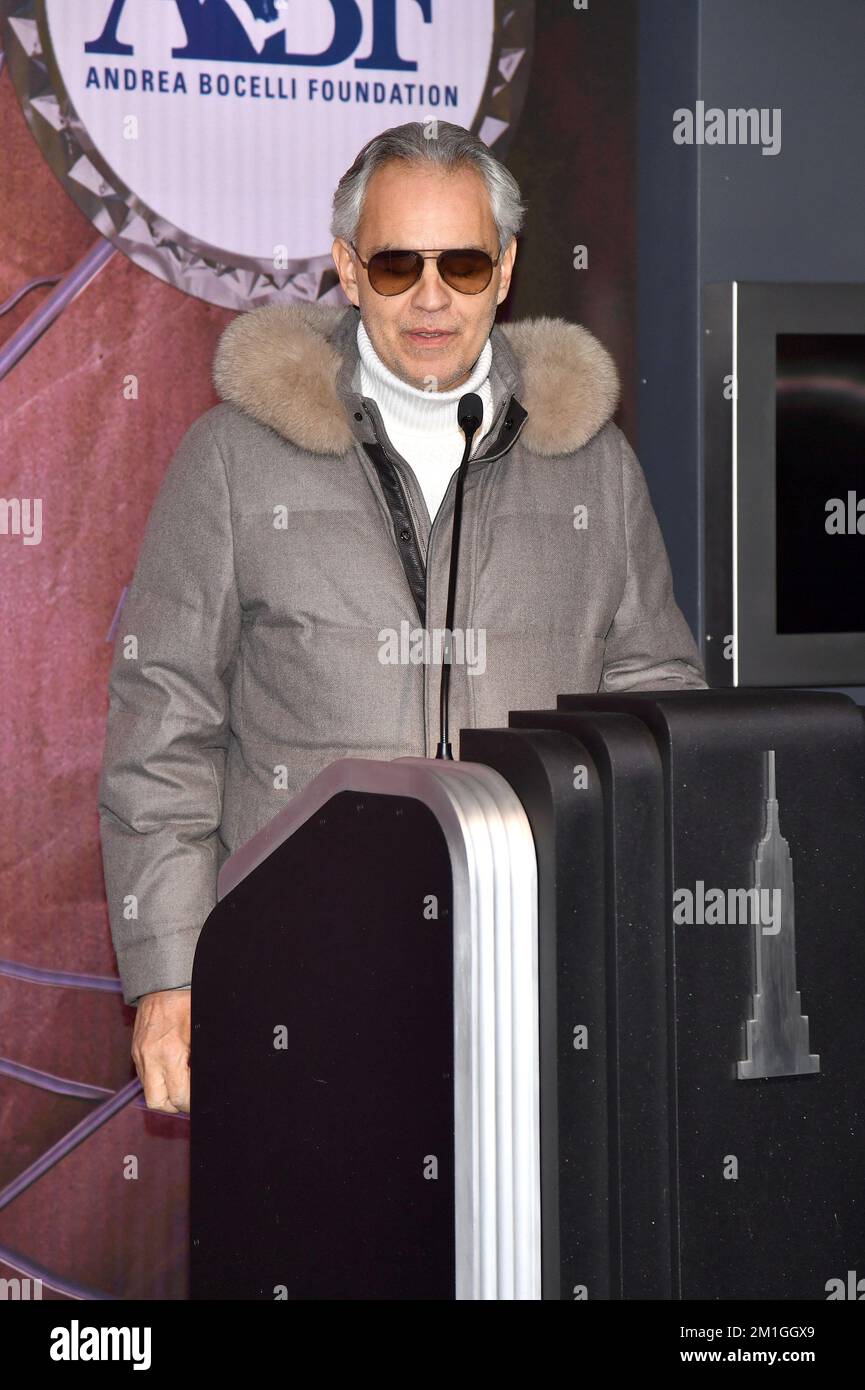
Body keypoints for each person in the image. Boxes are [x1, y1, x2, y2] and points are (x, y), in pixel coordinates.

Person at [98, 120, 706, 1114]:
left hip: (537, 992)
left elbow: (656, 699)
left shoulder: (592, 461)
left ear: (505, 270)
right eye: (396, 264)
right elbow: (163, 727)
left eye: (462, 263)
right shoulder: (232, 459)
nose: (432, 296)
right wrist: (169, 973)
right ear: (346, 267)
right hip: (296, 990)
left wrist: (632, 943)